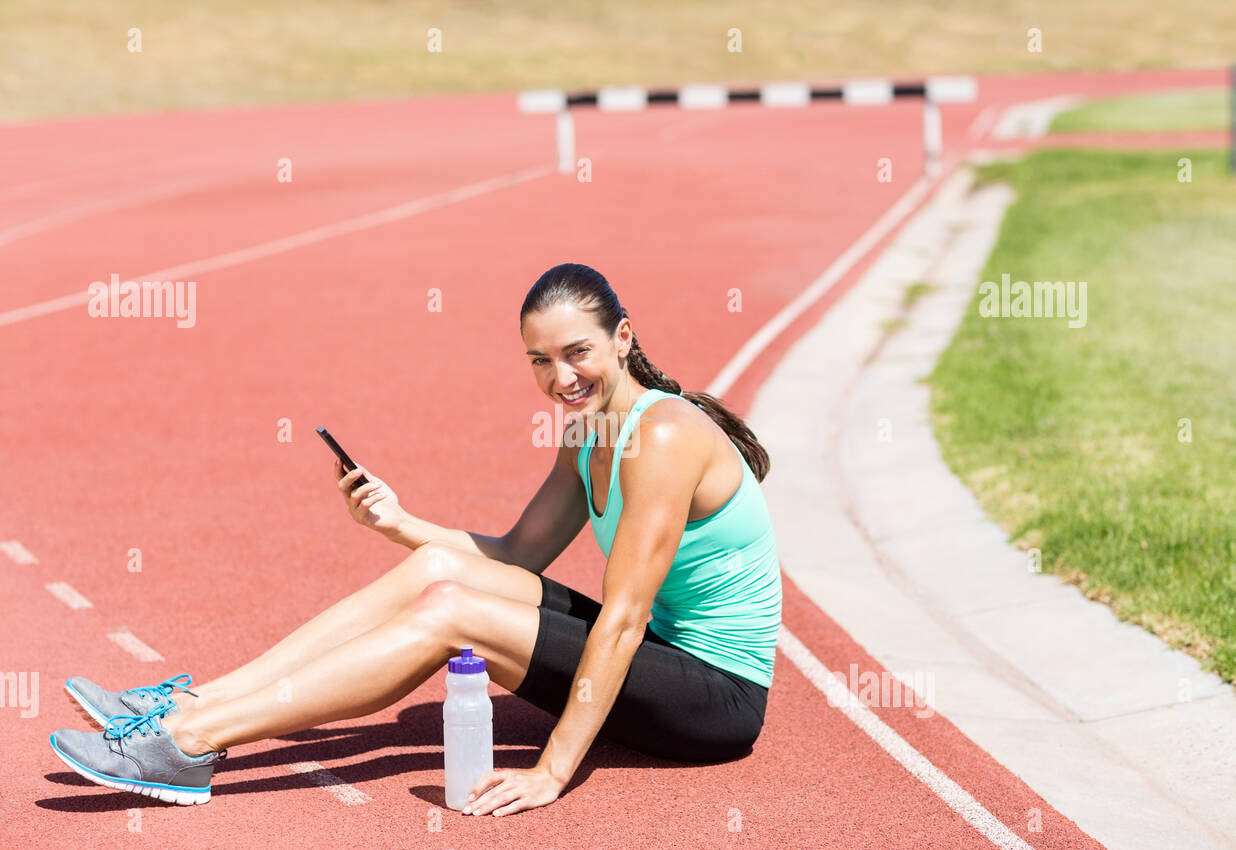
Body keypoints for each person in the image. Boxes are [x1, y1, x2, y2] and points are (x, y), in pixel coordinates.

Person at [49, 262, 783, 816]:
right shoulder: (590, 429)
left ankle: (189, 744)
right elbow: (519, 555)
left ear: (623, 338)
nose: (560, 377)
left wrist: (552, 772)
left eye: (577, 353)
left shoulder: (660, 435)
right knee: (437, 568)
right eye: (539, 361)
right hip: (663, 657)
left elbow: (621, 619)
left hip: (714, 701)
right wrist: (400, 525)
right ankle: (182, 708)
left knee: (449, 615)